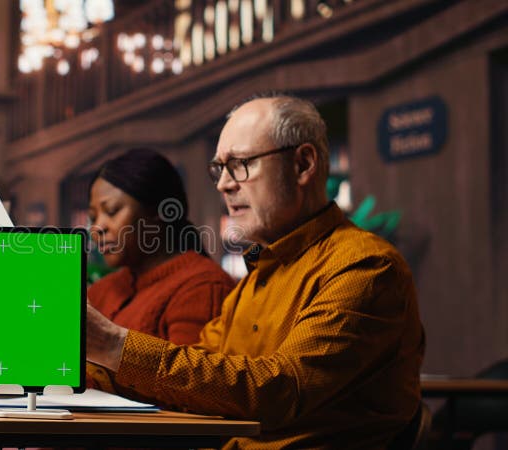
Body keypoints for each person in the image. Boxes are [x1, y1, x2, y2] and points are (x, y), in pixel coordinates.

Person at [85, 94, 425, 447]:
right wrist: (74, 360)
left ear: (303, 164)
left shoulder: (365, 267)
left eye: (241, 164)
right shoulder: (260, 276)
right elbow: (193, 378)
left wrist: (112, 345)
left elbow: (279, 392)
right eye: (220, 168)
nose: (223, 184)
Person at [87, 148, 235, 345]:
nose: (98, 228)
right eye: (92, 217)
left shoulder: (204, 287)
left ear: (160, 210)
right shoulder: (101, 291)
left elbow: (186, 375)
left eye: (112, 211)